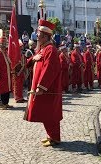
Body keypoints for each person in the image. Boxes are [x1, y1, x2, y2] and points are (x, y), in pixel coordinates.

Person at [25, 19, 62, 147]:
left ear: (45, 36)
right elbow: (32, 61)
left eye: (39, 33)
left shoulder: (50, 50)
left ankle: (55, 138)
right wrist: (32, 59)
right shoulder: (43, 49)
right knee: (45, 112)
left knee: (50, 113)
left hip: (48, 89)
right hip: (42, 88)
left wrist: (41, 87)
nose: (37, 35)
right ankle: (50, 136)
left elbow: (49, 69)